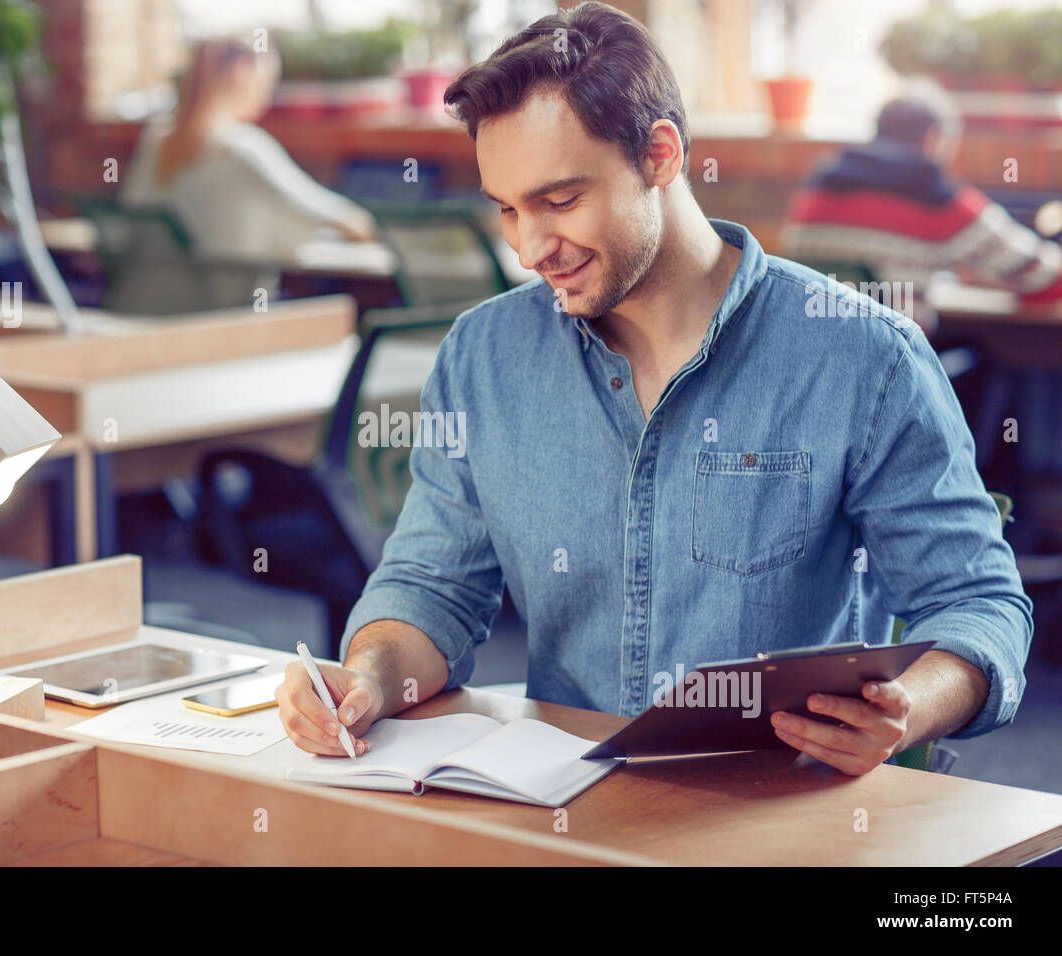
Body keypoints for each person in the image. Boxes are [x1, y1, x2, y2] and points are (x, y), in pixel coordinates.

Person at [275, 2, 1032, 776]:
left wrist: (908, 709)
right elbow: (433, 586)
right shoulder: (483, 356)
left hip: (786, 817)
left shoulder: (864, 358)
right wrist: (367, 677)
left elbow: (981, 606)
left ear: (660, 154)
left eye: (560, 201)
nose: (531, 247)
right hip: (570, 808)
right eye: (507, 209)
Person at [120, 37, 377, 311]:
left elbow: (128, 216)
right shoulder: (242, 147)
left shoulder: (155, 142)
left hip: (142, 312)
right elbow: (347, 220)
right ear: (240, 74)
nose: (267, 98)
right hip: (223, 322)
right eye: (267, 84)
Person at [781, 85, 1062, 336]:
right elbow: (1046, 276)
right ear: (933, 138)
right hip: (895, 372)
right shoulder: (936, 197)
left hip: (810, 368)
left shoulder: (816, 190)